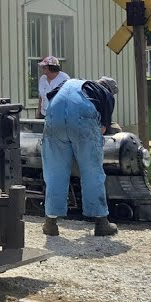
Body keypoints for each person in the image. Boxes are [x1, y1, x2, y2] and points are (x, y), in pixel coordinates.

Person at [40, 75, 120, 237]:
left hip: (53, 114)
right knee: (92, 171)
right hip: (83, 116)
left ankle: (50, 223)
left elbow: (50, 97)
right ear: (110, 91)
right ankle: (101, 222)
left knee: (54, 172)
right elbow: (103, 129)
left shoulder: (70, 84)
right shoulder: (105, 94)